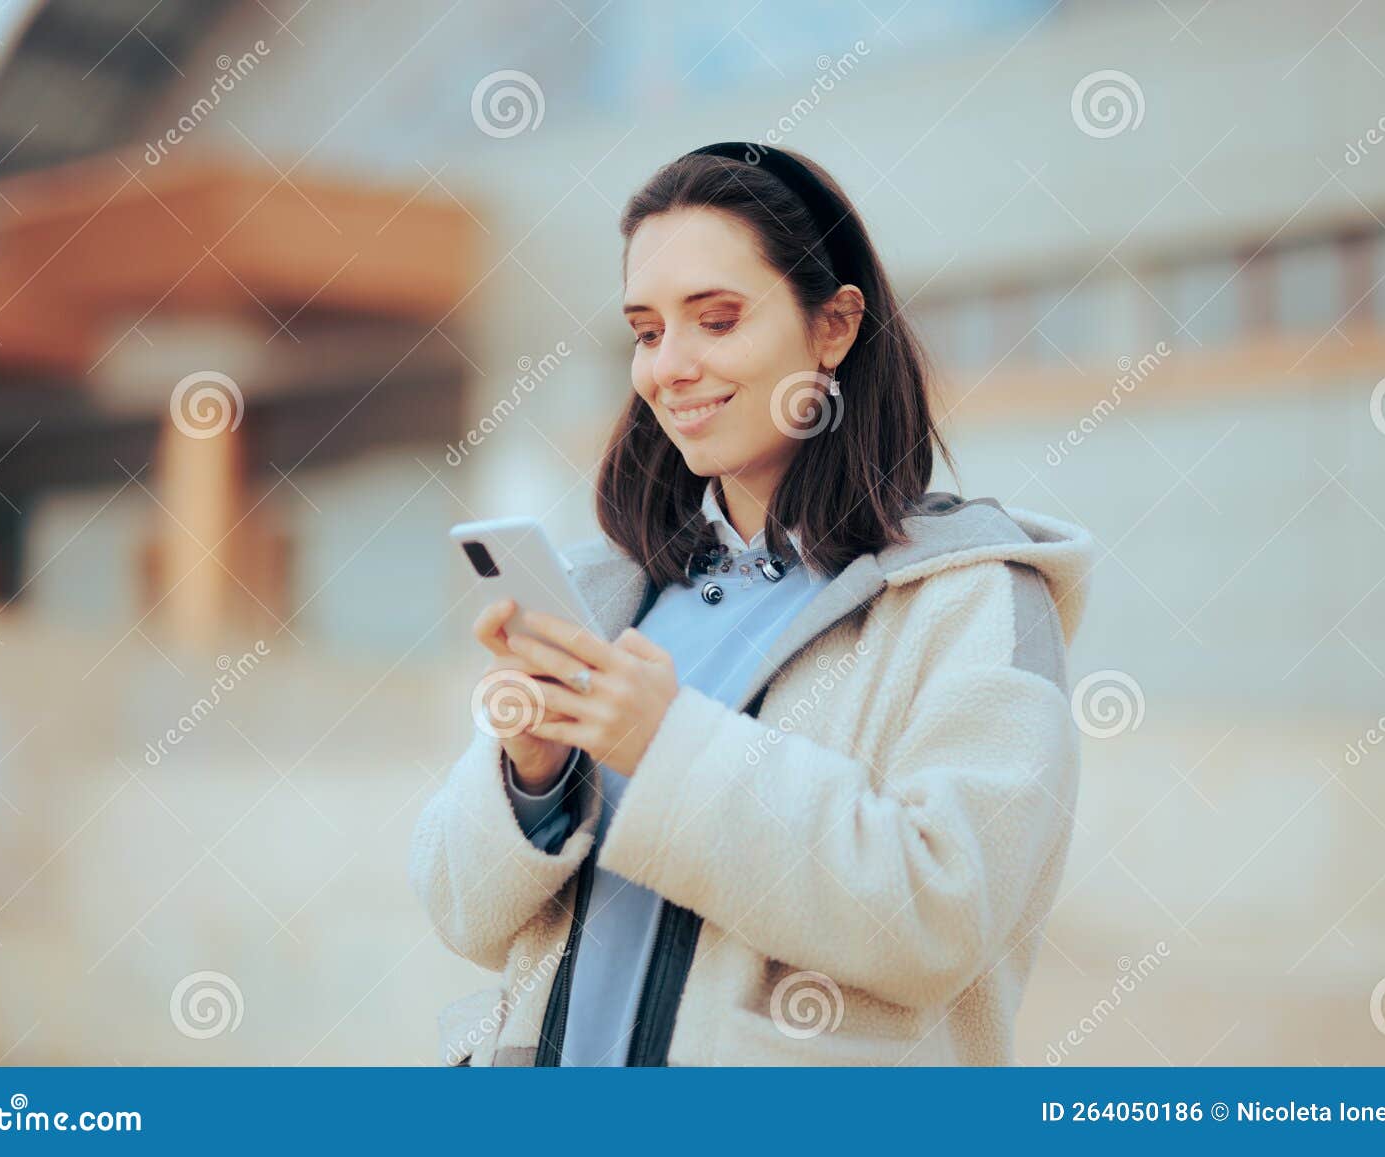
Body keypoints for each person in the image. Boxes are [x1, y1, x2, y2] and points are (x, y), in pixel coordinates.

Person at [409, 142, 1097, 1066]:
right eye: (647, 331)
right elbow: (459, 912)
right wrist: (532, 773)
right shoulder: (608, 594)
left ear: (834, 326)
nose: (669, 366)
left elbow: (943, 911)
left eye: (718, 319)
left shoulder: (973, 596)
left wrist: (666, 747)